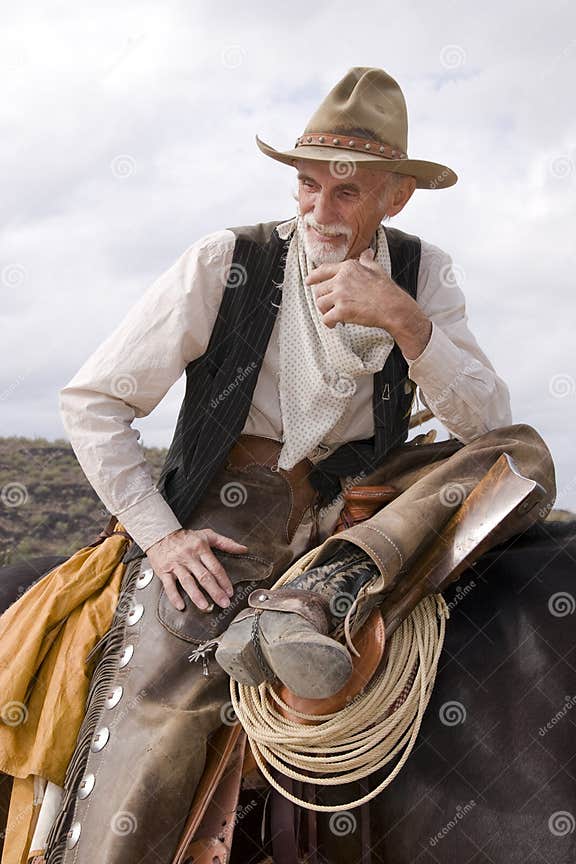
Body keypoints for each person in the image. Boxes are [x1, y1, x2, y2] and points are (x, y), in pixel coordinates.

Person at [35, 67, 554, 864]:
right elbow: (94, 400)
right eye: (308, 186)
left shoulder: (425, 273)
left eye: (347, 193)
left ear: (396, 198)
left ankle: (331, 583)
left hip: (367, 506)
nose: (319, 210)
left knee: (521, 454)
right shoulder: (226, 260)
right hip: (228, 511)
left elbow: (485, 422)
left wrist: (409, 326)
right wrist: (164, 538)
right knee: (165, 715)